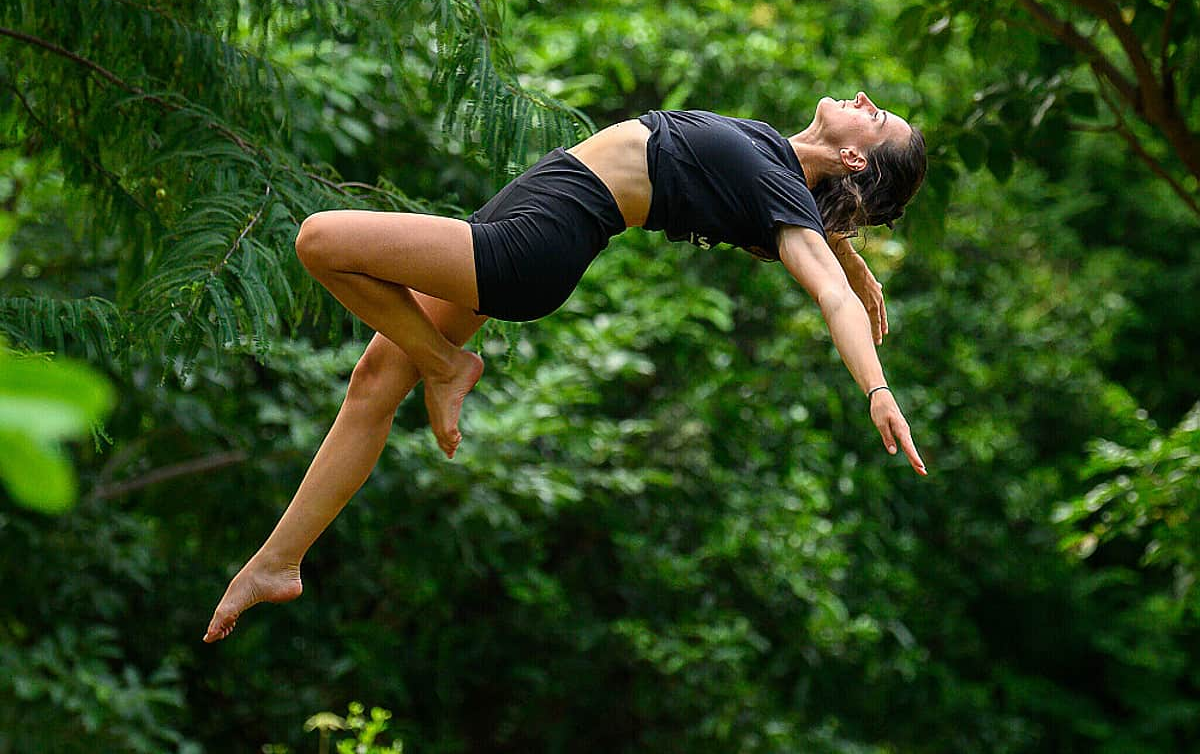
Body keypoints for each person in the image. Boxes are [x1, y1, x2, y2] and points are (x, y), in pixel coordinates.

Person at [202, 92, 928, 643]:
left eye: (879, 116)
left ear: (859, 157)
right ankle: (277, 561)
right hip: (526, 217)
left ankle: (446, 365)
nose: (864, 99)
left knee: (319, 239)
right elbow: (812, 235)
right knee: (373, 384)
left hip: (535, 244)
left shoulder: (778, 192)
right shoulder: (777, 162)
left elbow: (825, 290)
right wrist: (854, 252)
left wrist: (877, 384)